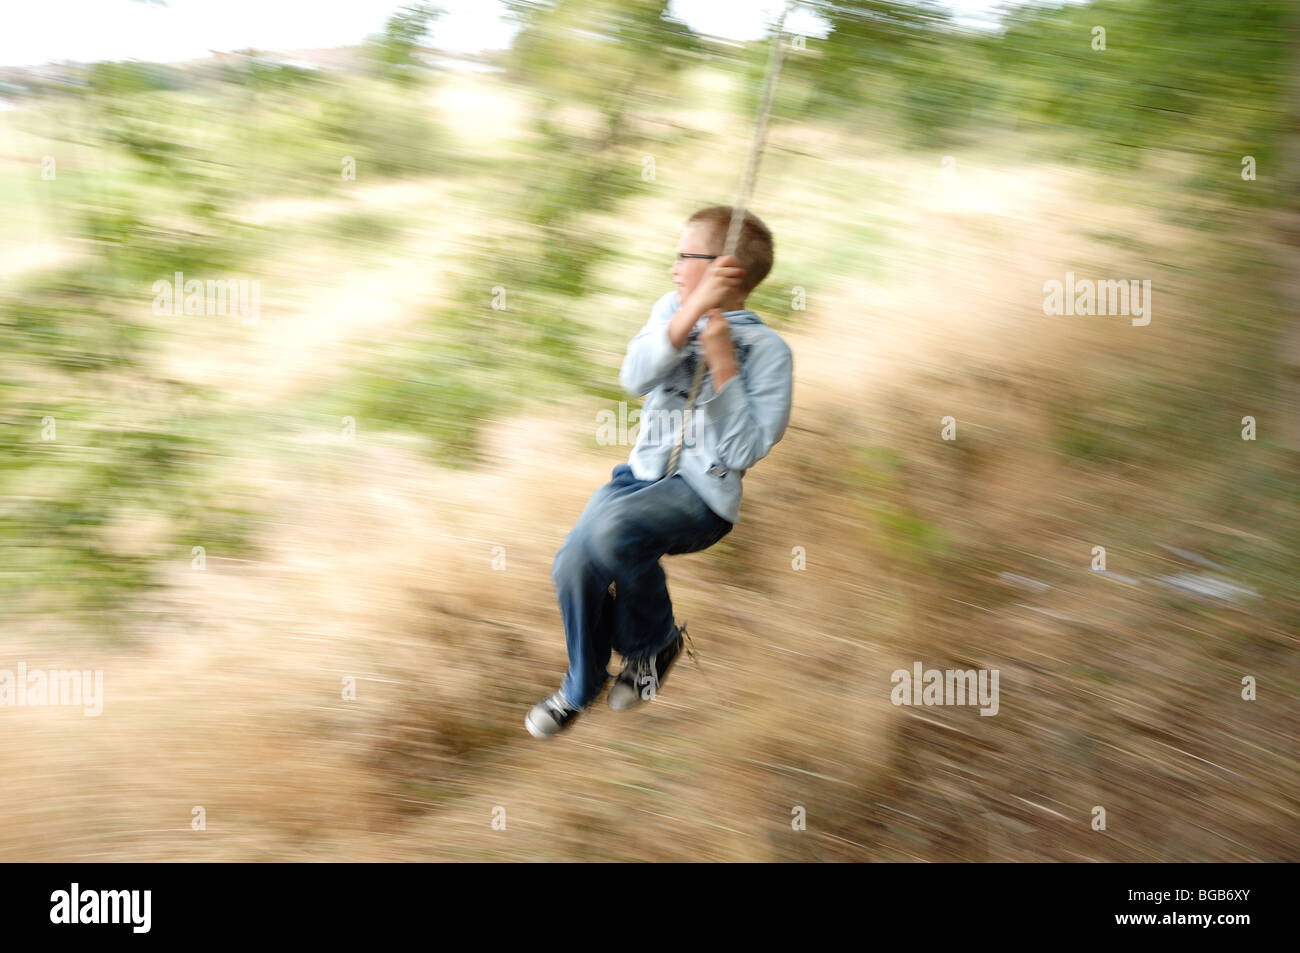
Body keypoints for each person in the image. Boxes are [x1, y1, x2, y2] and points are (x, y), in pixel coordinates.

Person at [526, 206, 794, 738]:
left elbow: (742, 450)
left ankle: (654, 646)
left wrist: (722, 363)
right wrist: (691, 311)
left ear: (727, 268)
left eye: (684, 256)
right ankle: (580, 687)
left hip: (700, 496)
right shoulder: (671, 309)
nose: (673, 268)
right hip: (639, 479)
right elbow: (634, 377)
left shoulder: (769, 352)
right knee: (572, 565)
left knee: (612, 533)